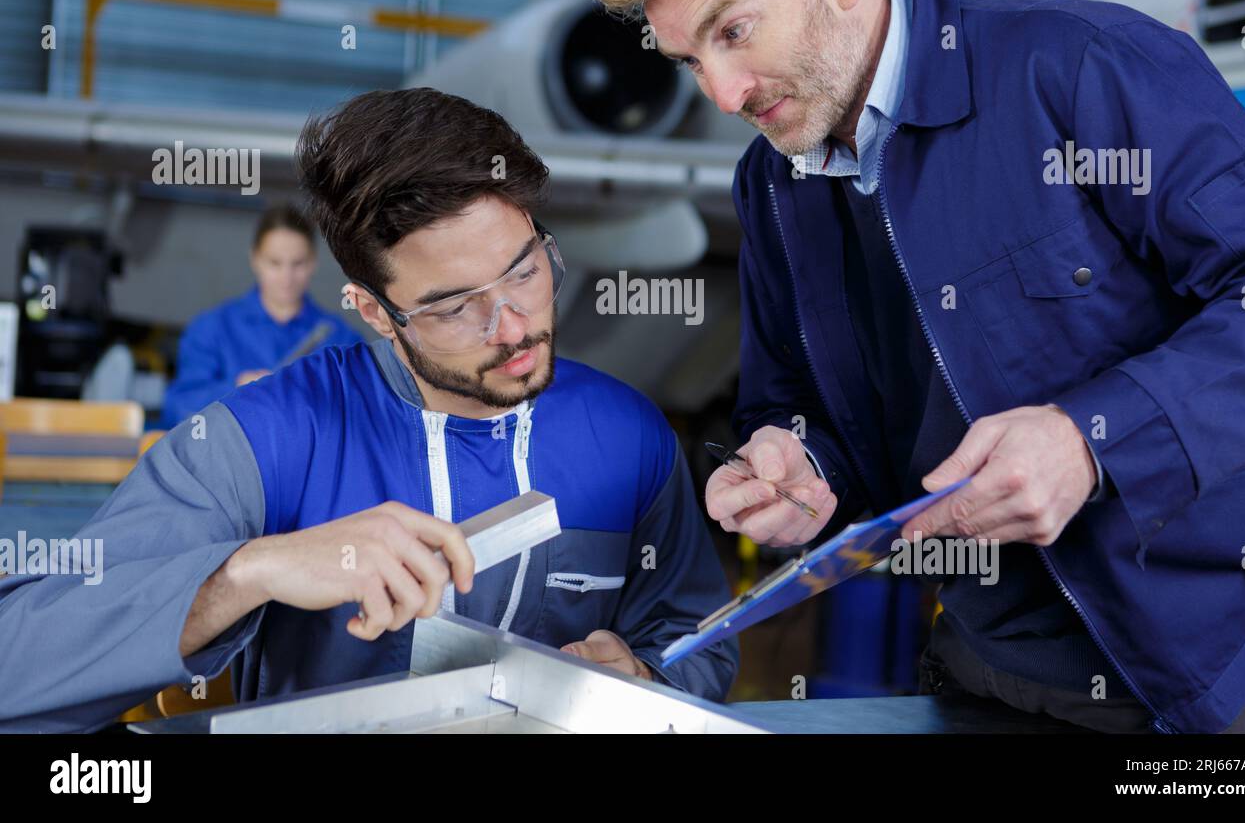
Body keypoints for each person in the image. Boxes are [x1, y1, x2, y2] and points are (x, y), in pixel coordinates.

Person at [593, 0, 1245, 733]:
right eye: (691, 61)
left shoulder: (1078, 66)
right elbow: (803, 403)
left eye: (734, 31)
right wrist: (800, 469)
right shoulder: (773, 183)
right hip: (987, 663)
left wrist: (1092, 440)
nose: (725, 93)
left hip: (1226, 660)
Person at [0, 89, 737, 732]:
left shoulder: (628, 435)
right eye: (453, 307)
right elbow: (17, 662)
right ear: (373, 312)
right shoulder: (261, 440)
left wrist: (645, 676)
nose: (511, 327)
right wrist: (250, 571)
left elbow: (693, 633)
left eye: (525, 270)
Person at [160, 204, 362, 427]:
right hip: (233, 460)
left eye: (298, 263)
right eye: (275, 263)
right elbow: (177, 409)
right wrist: (236, 389)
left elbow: (362, 412)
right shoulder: (210, 330)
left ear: (313, 262)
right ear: (255, 259)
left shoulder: (341, 338)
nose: (287, 277)